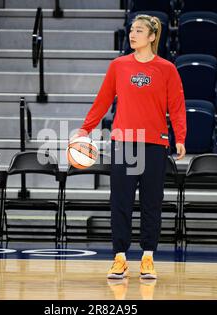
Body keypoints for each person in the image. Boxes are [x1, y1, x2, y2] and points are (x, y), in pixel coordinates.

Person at [70, 14, 187, 279]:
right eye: (131, 30)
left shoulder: (167, 68)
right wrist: (86, 128)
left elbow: (177, 107)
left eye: (139, 30)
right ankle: (120, 258)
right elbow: (103, 100)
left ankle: (148, 257)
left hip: (155, 143)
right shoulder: (118, 65)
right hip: (123, 142)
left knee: (151, 203)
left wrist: (180, 137)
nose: (132, 34)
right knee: (120, 202)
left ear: (152, 36)